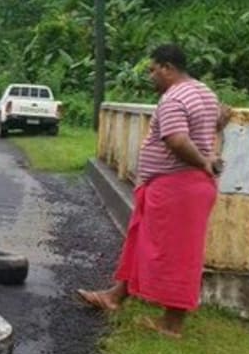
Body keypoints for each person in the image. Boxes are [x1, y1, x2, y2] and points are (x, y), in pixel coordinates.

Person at [77, 44, 230, 338]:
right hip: (178, 186)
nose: (150, 76)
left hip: (179, 186)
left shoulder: (173, 99)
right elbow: (213, 124)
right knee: (142, 241)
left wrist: (204, 162)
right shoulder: (205, 92)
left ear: (168, 68)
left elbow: (176, 140)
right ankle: (115, 297)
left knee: (179, 254)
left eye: (153, 69)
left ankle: (171, 325)